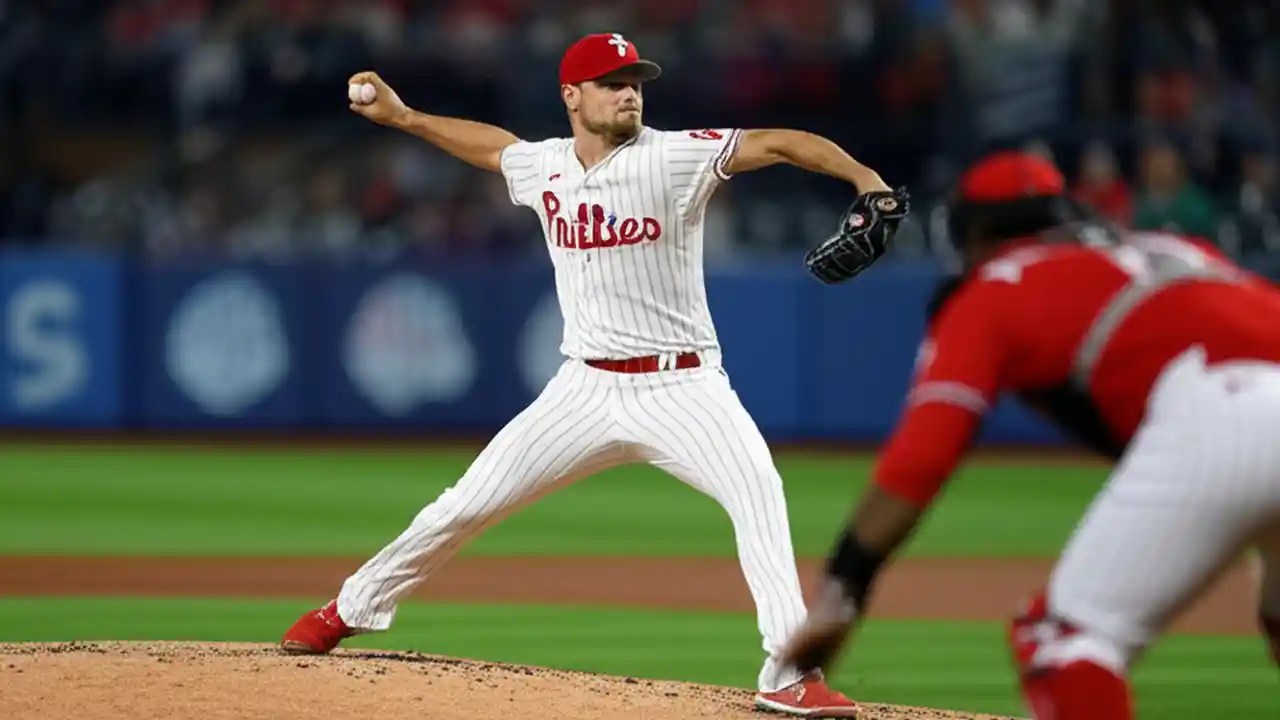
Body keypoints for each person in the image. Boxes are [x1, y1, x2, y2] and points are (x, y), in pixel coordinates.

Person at [281, 32, 903, 717]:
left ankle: (788, 673)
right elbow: (493, 148)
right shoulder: (543, 167)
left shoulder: (676, 156)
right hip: (583, 389)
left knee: (758, 491)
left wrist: (864, 178)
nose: (629, 89)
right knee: (465, 504)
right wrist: (405, 118)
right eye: (612, 81)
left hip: (684, 387)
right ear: (572, 96)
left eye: (635, 79)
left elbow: (782, 141)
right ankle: (349, 608)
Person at [779, 150, 1280, 719]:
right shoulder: (1176, 249)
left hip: (1215, 407)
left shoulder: (997, 284)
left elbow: (922, 457)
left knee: (1061, 641)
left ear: (978, 230)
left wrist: (845, 588)